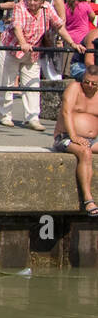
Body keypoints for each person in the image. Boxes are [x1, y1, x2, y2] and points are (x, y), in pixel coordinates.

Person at [0, 0, 86, 130]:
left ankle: (32, 118)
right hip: (12, 48)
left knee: (32, 84)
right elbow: (17, 26)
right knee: (7, 83)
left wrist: (72, 43)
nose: (32, 3)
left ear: (42, 1)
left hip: (33, 50)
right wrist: (22, 43)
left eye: (35, 0)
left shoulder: (47, 8)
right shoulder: (20, 7)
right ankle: (5, 116)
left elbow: (59, 25)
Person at [57, 66, 98, 216]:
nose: (89, 86)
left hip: (92, 140)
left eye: (94, 84)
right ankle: (88, 200)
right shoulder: (74, 88)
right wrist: (73, 136)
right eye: (87, 82)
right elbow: (66, 112)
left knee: (87, 147)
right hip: (66, 137)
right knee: (85, 153)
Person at [64, 0, 97, 80]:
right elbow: (92, 17)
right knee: (81, 56)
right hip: (82, 35)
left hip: (69, 35)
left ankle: (66, 73)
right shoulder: (85, 5)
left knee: (69, 57)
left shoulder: (66, 6)